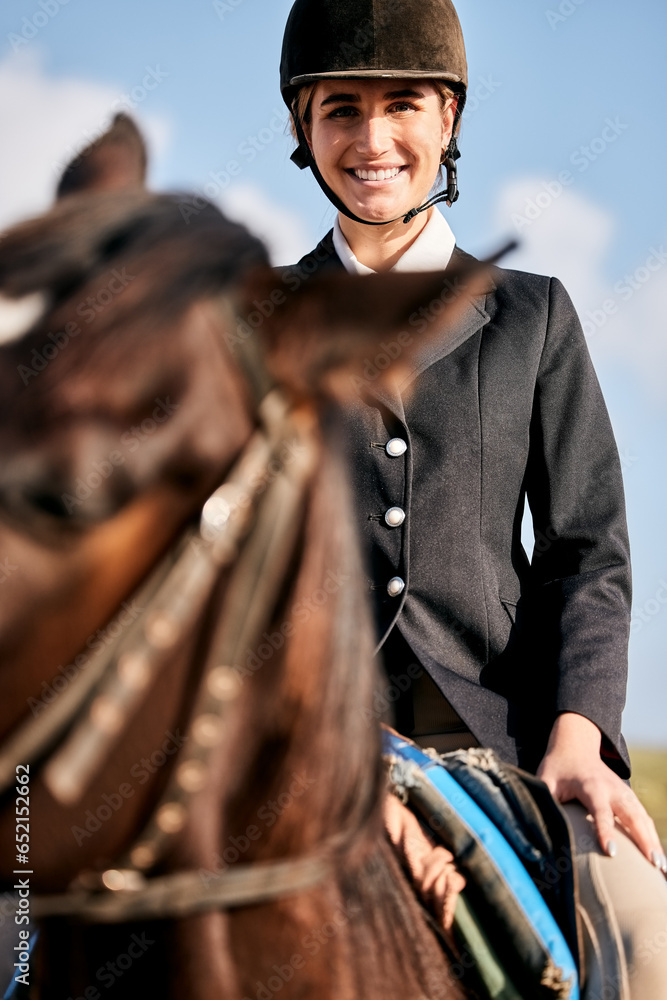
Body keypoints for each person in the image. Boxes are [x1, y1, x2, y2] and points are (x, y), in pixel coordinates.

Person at [278, 1, 667, 996]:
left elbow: (590, 552)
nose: (371, 139)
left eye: (401, 103)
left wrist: (579, 731)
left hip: (502, 737)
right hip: (297, 742)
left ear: (447, 117)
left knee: (644, 922)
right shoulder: (253, 318)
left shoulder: (532, 315)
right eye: (340, 111)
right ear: (302, 129)